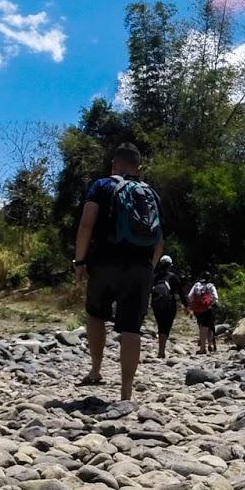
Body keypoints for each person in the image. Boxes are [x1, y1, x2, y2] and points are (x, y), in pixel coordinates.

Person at [74, 142, 164, 399]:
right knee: (131, 329)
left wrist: (80, 262)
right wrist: (150, 268)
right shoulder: (151, 194)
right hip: (141, 267)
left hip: (104, 263)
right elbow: (159, 239)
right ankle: (126, 391)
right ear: (140, 169)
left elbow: (85, 225)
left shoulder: (101, 186)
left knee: (96, 314)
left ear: (113, 164)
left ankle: (95, 370)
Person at [150, 255, 182, 358]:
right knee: (166, 327)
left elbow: (150, 291)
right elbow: (180, 292)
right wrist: (186, 306)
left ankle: (160, 350)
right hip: (170, 304)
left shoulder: (155, 277)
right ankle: (162, 350)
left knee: (160, 326)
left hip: (156, 304)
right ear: (170, 266)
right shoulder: (173, 276)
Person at [188, 271, 219, 354]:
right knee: (208, 327)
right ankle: (205, 347)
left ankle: (203, 346)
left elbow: (190, 296)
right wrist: (210, 303)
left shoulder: (196, 285)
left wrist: (196, 304)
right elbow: (215, 297)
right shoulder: (210, 286)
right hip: (207, 309)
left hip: (197, 310)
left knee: (201, 327)